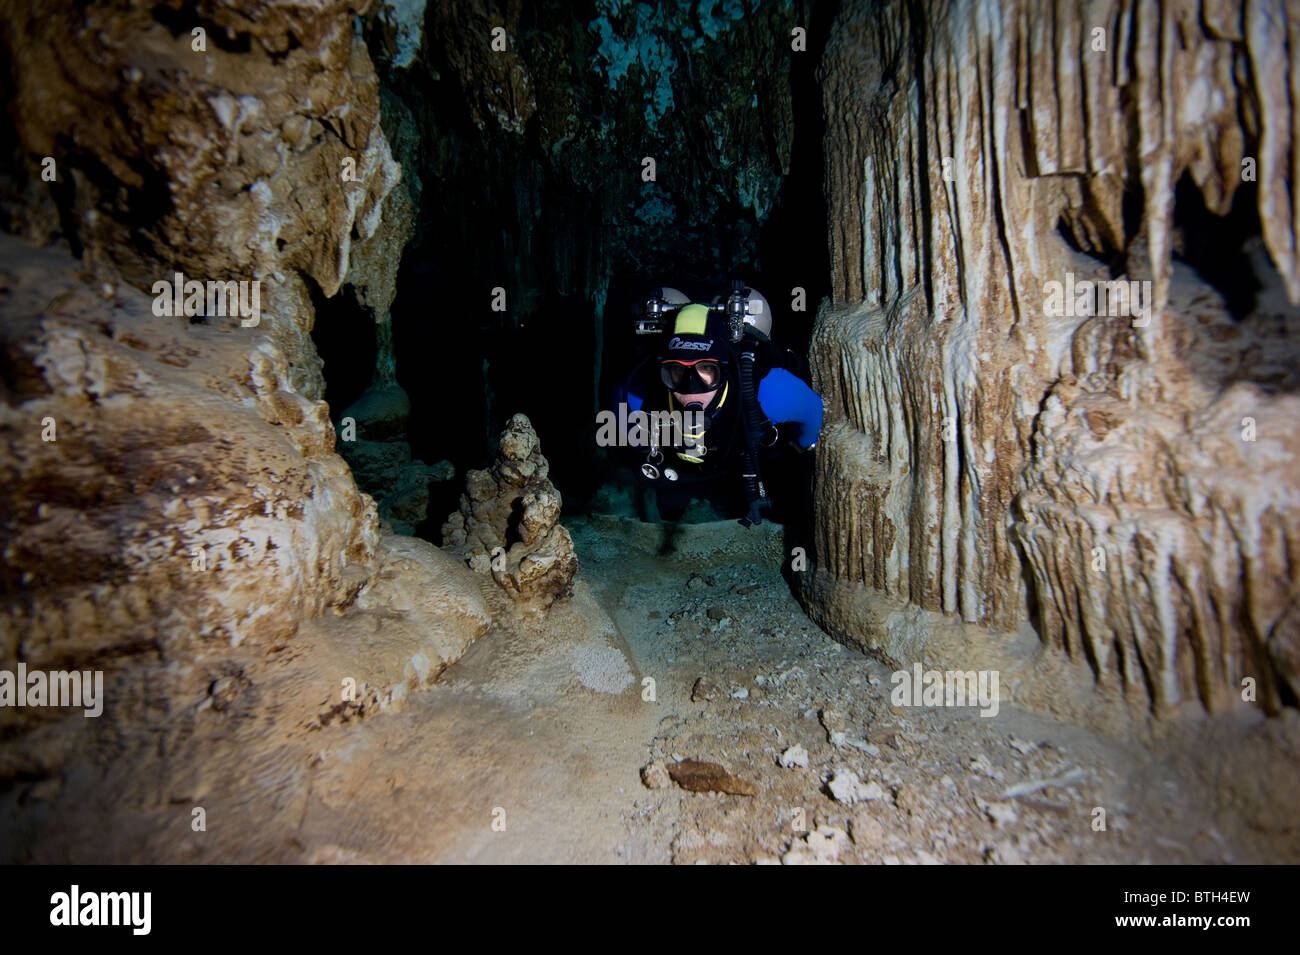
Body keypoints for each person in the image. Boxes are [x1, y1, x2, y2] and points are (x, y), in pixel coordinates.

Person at [615, 285, 823, 524]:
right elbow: (626, 422)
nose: (690, 388)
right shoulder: (637, 394)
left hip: (739, 470)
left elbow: (813, 409)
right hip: (679, 471)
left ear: (724, 370)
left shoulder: (770, 392)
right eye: (675, 372)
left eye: (706, 370)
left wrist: (800, 445)